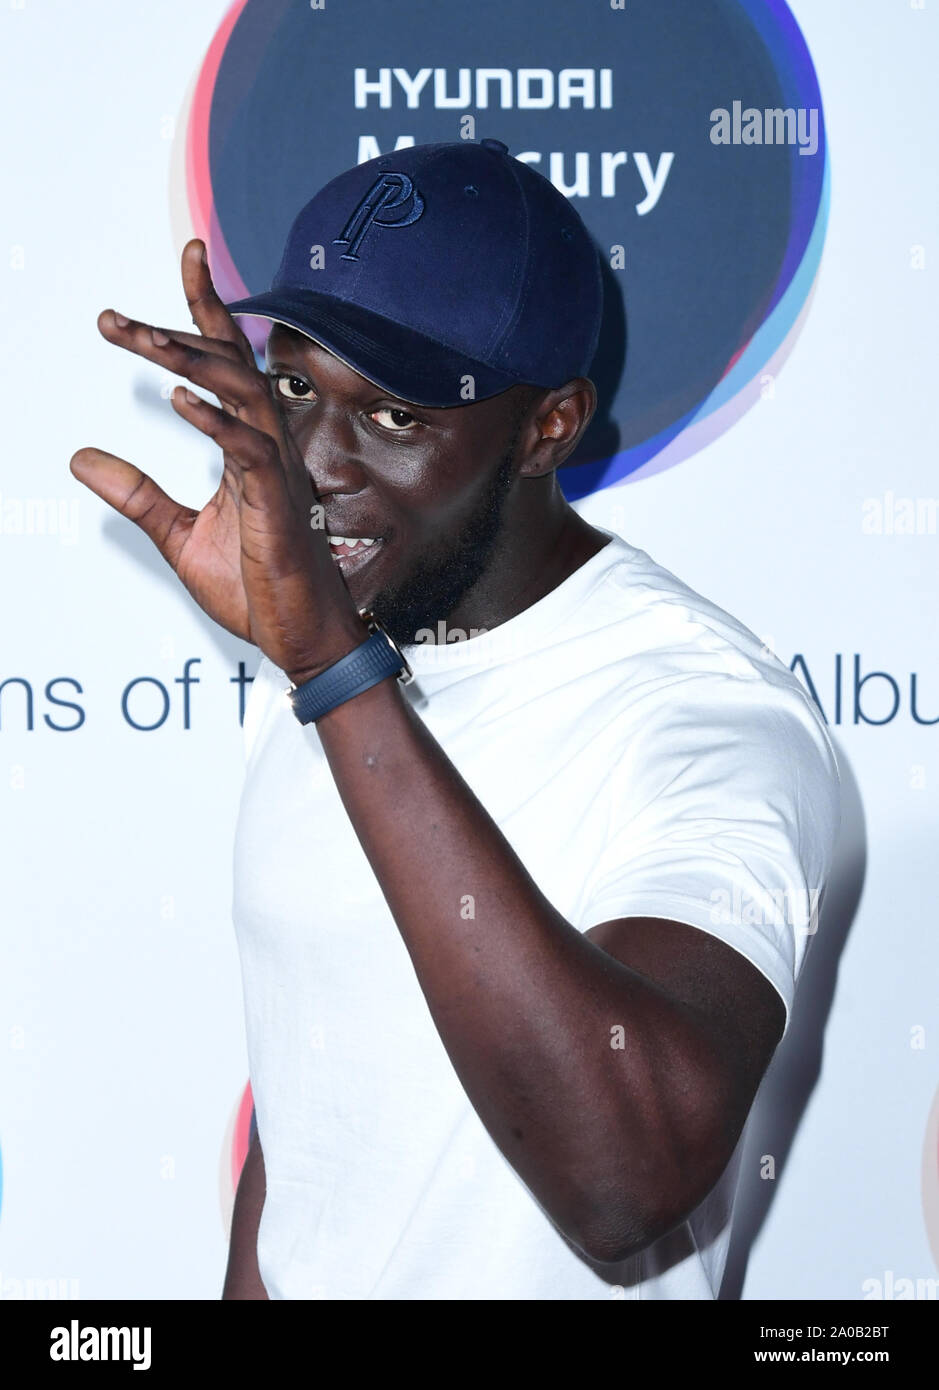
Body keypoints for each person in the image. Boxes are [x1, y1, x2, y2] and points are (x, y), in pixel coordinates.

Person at [71, 138, 840, 1300]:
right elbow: (312, 1148)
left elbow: (627, 1179)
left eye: (392, 416)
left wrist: (333, 668)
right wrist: (329, 666)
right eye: (295, 387)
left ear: (549, 426)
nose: (316, 466)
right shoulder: (338, 670)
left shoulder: (705, 712)